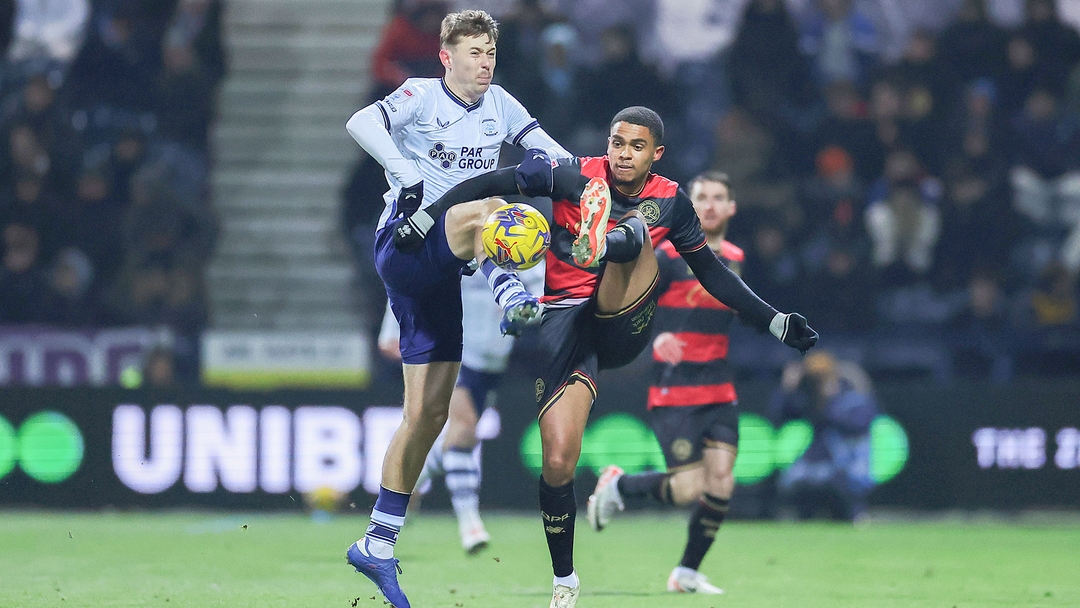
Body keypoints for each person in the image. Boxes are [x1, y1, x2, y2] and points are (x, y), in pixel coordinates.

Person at [398, 106, 818, 607]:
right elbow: (492, 182)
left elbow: (711, 272)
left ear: (655, 154)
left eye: (637, 147)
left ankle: (602, 242)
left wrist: (774, 321)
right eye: (618, 142)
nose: (624, 153)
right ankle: (565, 582)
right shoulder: (568, 172)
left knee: (641, 234)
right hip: (565, 322)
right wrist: (426, 215)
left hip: (625, 318)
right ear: (608, 142)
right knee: (558, 461)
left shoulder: (671, 199)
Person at [341, 9, 571, 608]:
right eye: (472, 52)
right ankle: (512, 293)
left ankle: (378, 543)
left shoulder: (503, 104)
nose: (484, 62)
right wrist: (404, 169)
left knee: (428, 414)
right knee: (492, 201)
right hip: (407, 242)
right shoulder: (419, 94)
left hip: (443, 274)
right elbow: (360, 120)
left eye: (489, 52)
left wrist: (598, 188)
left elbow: (555, 157)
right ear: (447, 56)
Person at [584, 171, 742, 595]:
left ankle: (686, 572)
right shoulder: (670, 257)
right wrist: (659, 336)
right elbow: (632, 303)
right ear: (690, 205)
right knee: (690, 488)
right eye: (701, 197)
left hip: (720, 390)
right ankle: (619, 485)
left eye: (718, 197)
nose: (709, 204)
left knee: (722, 481)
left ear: (731, 208)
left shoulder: (736, 258)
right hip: (676, 391)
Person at [376, 262, 544, 555]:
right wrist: (395, 329)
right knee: (464, 431)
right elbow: (412, 282)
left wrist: (523, 312)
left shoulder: (516, 241)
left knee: (456, 439)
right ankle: (470, 523)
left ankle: (410, 479)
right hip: (451, 350)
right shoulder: (452, 242)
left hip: (492, 360)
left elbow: (543, 300)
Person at [767, 350, 878, 522]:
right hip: (816, 462)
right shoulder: (808, 398)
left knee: (844, 479)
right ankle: (804, 517)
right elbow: (779, 415)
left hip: (848, 460)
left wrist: (828, 399)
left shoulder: (852, 397)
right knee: (793, 478)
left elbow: (858, 424)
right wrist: (787, 388)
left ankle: (855, 514)